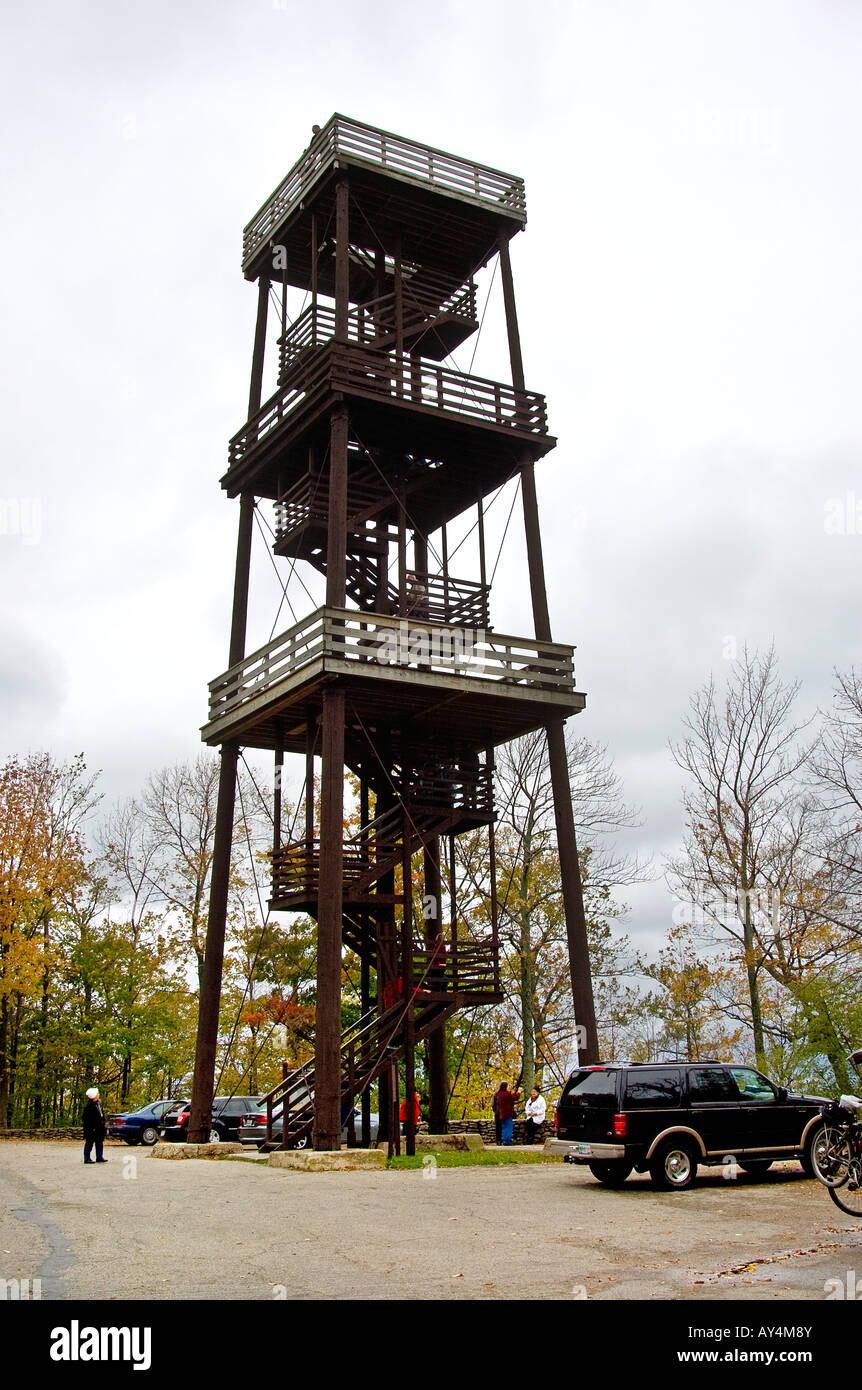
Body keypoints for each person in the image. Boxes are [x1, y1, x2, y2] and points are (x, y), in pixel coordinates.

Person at [82, 1086, 108, 1164]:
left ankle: (99, 1157)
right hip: (92, 1129)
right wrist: (92, 1127)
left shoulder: (98, 1104)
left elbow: (101, 1115)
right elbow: (86, 1119)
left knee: (99, 1142)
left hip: (99, 1128)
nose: (99, 1095)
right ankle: (87, 1158)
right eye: (97, 1094)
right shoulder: (89, 1107)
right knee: (89, 1143)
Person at [494, 1082, 520, 1146]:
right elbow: (515, 1098)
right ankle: (507, 1141)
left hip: (501, 1114)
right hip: (507, 1113)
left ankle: (503, 1140)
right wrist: (519, 1092)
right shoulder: (506, 1094)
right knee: (508, 1127)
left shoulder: (499, 1094)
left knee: (503, 1127)